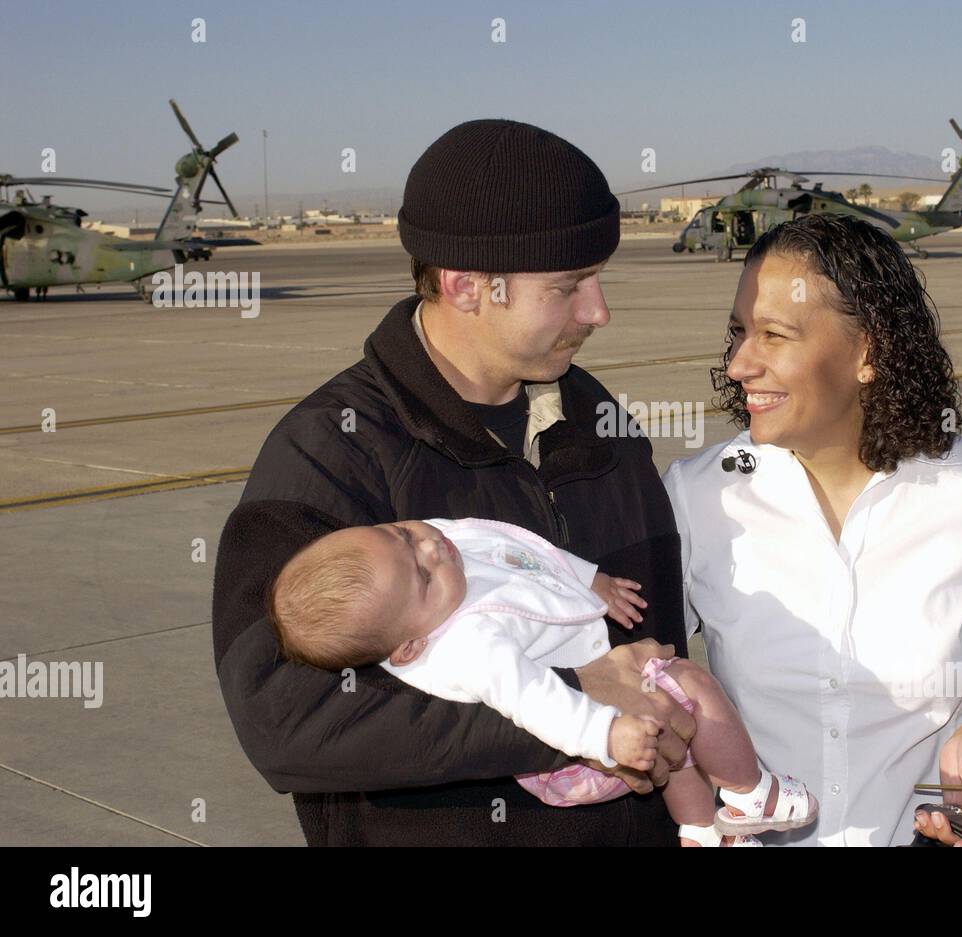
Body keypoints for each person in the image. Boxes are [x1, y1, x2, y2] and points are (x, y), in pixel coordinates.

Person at [212, 119, 695, 846]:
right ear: (466, 286)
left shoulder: (596, 423)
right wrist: (569, 704)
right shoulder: (327, 453)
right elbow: (285, 718)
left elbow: (656, 638)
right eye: (567, 286)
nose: (598, 311)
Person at [664, 213, 962, 846]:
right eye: (738, 333)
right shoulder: (698, 495)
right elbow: (648, 685)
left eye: (774, 335)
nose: (739, 364)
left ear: (869, 352)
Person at [267, 515, 819, 846]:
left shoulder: (427, 575)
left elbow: (517, 553)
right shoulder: (469, 646)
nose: (433, 546)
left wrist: (589, 580)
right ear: (409, 646)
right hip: (575, 757)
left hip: (602, 728)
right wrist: (606, 733)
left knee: (673, 748)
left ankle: (703, 833)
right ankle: (750, 793)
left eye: (402, 534)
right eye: (424, 573)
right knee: (690, 686)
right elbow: (536, 701)